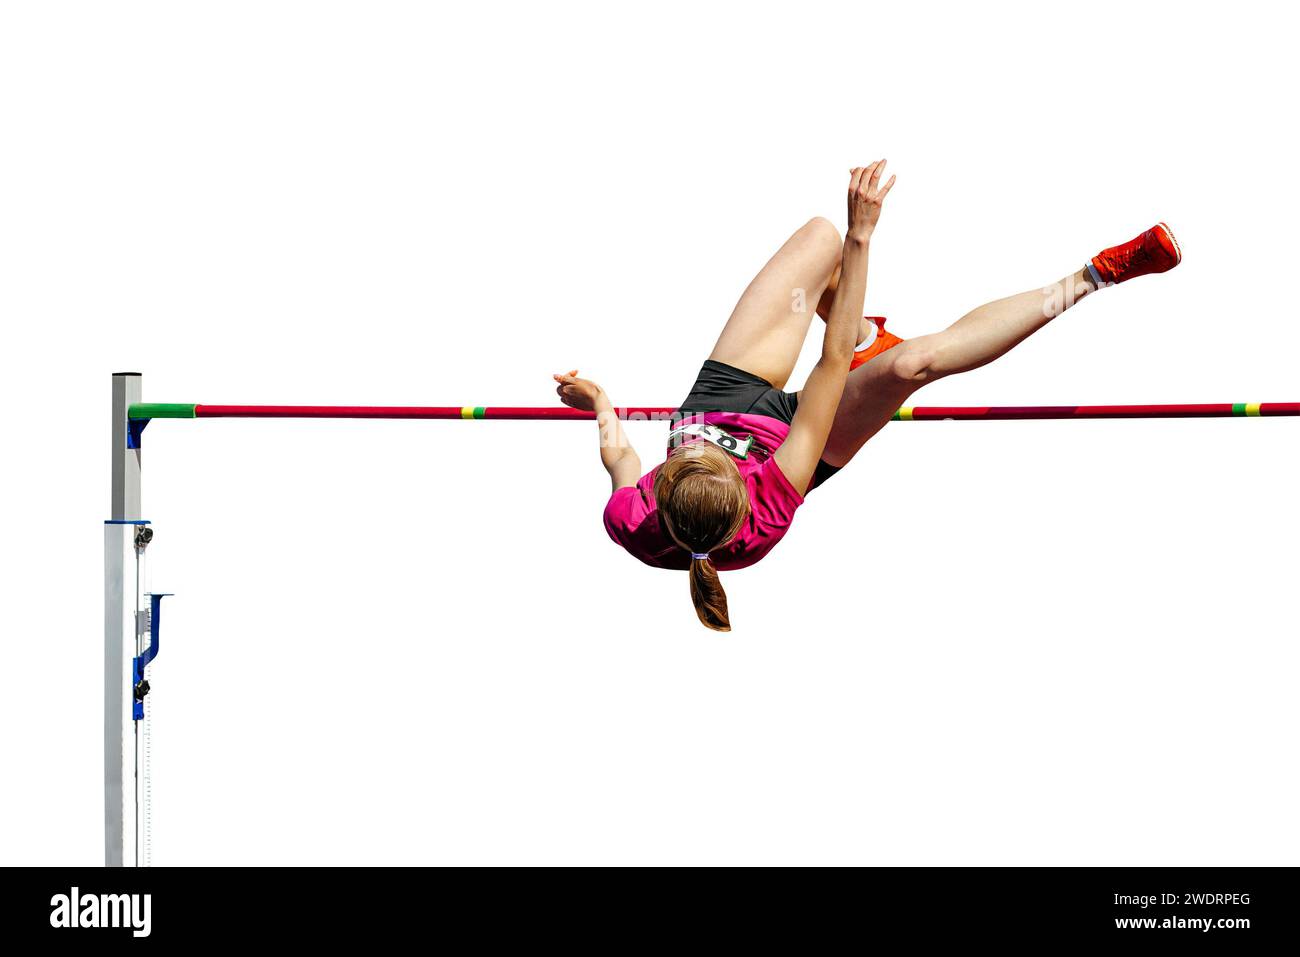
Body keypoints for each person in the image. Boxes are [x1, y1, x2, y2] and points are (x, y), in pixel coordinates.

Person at [554, 162, 1181, 630]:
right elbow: (829, 369)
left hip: (723, 394)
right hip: (801, 432)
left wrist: (601, 402)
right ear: (741, 493)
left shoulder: (630, 519)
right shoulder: (766, 506)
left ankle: (862, 332)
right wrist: (863, 236)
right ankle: (1097, 274)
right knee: (914, 363)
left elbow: (622, 462)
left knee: (816, 239)